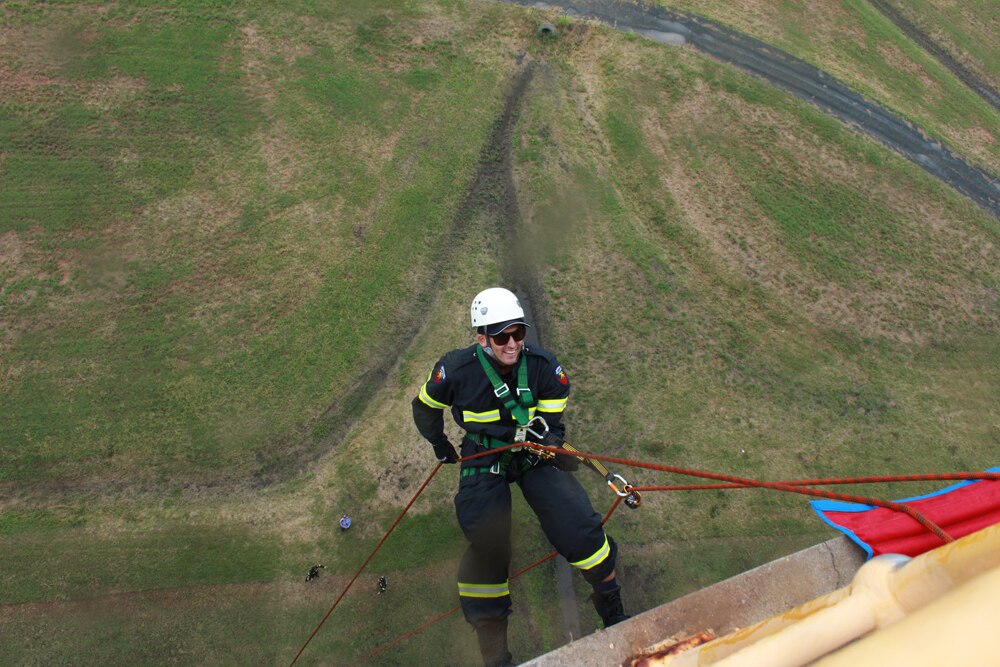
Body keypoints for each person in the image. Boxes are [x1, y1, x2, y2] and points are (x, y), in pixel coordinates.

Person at [412, 287, 628, 667]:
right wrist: (439, 444)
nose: (512, 344)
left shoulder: (544, 368)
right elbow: (424, 405)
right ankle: (496, 659)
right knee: (489, 549)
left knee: (579, 528)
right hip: (484, 451)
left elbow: (552, 421)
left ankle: (616, 616)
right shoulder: (457, 371)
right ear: (482, 338)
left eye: (518, 333)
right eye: (501, 337)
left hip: (532, 450)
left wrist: (553, 445)